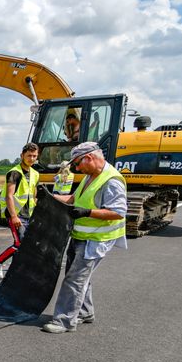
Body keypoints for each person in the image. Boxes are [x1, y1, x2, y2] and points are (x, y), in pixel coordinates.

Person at [42, 142, 127, 333]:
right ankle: (85, 312)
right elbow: (73, 199)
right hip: (80, 236)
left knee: (75, 279)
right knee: (79, 277)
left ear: (88, 158)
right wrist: (50, 197)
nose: (77, 168)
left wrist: (88, 212)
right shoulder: (91, 176)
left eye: (78, 164)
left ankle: (63, 321)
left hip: (95, 240)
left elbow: (119, 212)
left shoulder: (111, 180)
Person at [0, 143, 39, 278]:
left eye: (34, 156)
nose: (32, 158)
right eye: (29, 155)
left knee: (26, 244)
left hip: (28, 214)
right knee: (20, 243)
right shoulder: (14, 173)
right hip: (15, 214)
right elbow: (9, 196)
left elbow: (33, 195)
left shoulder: (35, 174)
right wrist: (13, 216)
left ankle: (17, 270)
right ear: (22, 155)